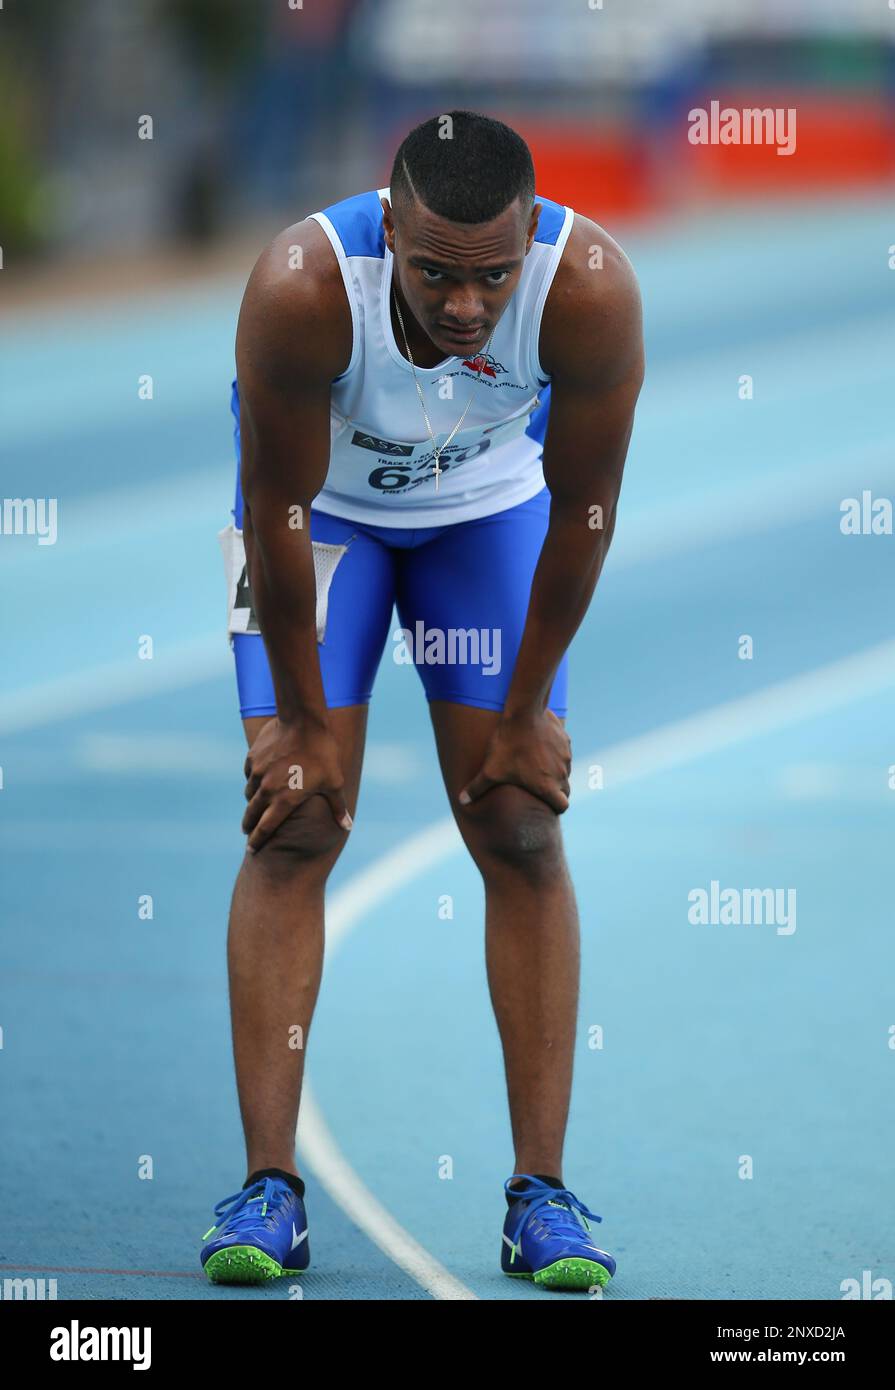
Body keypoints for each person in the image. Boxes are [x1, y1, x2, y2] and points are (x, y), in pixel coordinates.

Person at [202, 110, 643, 1292]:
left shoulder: (586, 290)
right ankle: (268, 1191)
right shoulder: (303, 286)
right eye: (437, 271)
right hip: (323, 521)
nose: (463, 305)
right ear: (386, 225)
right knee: (295, 818)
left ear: (531, 238)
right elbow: (278, 514)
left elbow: (584, 517)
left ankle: (540, 1196)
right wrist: (298, 721)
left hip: (484, 516)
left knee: (518, 820)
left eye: (491, 275)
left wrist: (526, 711)